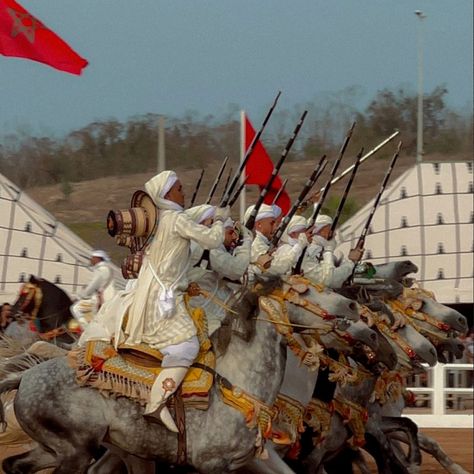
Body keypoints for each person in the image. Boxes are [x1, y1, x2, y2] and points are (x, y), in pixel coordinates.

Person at [85, 171, 228, 431]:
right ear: (167, 194)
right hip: (161, 300)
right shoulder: (174, 219)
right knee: (187, 346)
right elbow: (212, 240)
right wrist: (219, 220)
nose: (183, 193)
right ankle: (157, 402)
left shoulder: (163, 220)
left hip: (160, 293)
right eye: (179, 189)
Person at [187, 215, 252, 335]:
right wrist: (245, 242)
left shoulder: (199, 243)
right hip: (204, 312)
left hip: (212, 306)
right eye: (230, 232)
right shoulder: (208, 247)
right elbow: (236, 269)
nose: (233, 237)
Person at [303, 214, 363, 288]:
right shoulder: (311, 253)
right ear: (317, 232)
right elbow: (331, 280)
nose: (334, 234)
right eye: (330, 231)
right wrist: (351, 262)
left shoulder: (322, 251)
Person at [70, 250, 115, 329]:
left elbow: (93, 286)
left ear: (98, 259)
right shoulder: (106, 268)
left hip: (101, 298)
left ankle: (87, 330)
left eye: (93, 258)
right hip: (104, 296)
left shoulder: (102, 269)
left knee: (75, 308)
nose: (91, 260)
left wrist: (78, 297)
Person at [244, 203, 281, 281]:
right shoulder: (255, 246)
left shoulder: (265, 243)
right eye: (272, 223)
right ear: (259, 224)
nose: (276, 227)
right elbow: (275, 270)